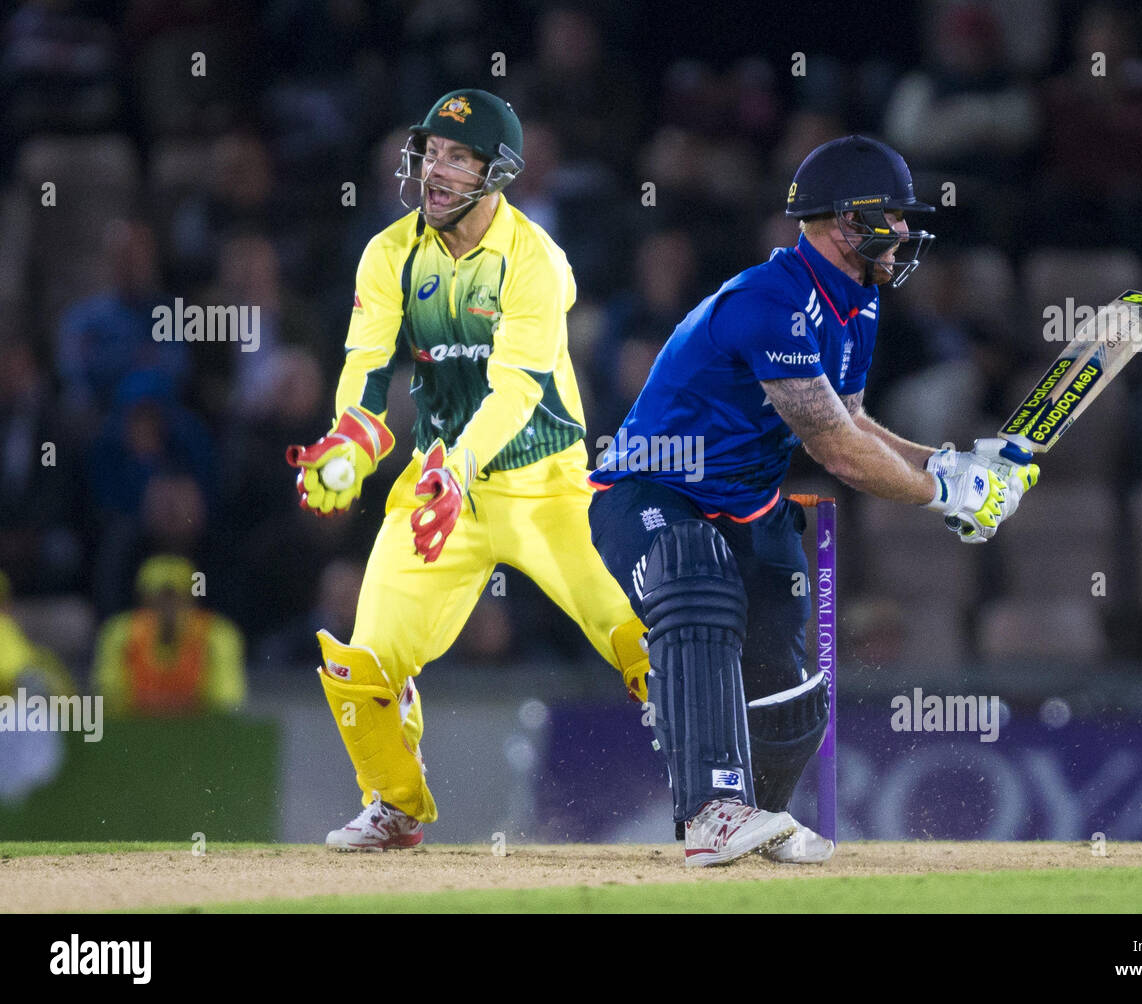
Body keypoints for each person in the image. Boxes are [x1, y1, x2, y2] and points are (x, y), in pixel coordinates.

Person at [588, 135, 1040, 866]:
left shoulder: (855, 304)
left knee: (788, 692)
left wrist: (952, 464)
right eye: (889, 216)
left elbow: (854, 420)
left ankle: (758, 814)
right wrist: (943, 494)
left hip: (745, 506)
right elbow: (832, 447)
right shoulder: (770, 302)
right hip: (651, 492)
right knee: (695, 580)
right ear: (843, 221)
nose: (902, 232)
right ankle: (711, 812)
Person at [286, 89, 649, 851]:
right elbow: (366, 367)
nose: (435, 171)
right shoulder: (389, 253)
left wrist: (462, 464)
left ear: (499, 172)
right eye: (430, 154)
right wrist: (349, 442)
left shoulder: (535, 261)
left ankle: (723, 793)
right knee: (364, 666)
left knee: (646, 640)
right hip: (436, 484)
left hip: (546, 486)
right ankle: (393, 805)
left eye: (458, 157)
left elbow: (518, 387)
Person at [91, 555, 246, 716]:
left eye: (177, 599)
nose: (167, 610)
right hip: (137, 731)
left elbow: (226, 703)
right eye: (157, 602)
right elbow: (108, 698)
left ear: (192, 600)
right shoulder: (121, 633)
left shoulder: (216, 634)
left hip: (198, 733)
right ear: (143, 602)